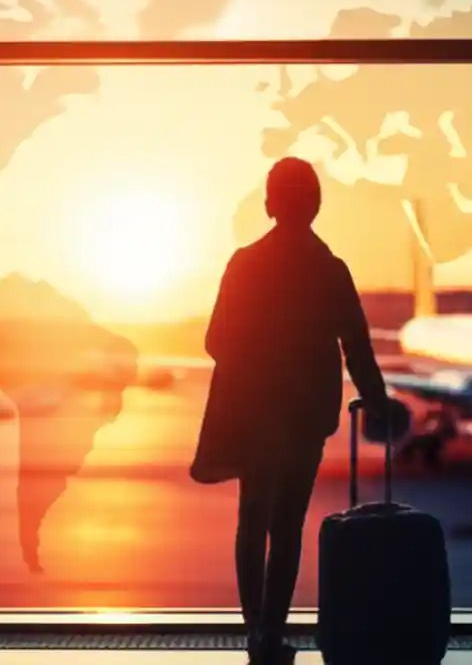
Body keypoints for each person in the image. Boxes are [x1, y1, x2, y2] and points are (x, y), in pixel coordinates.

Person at [191, 157, 389, 664]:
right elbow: (358, 349)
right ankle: (272, 631)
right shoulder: (331, 269)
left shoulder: (244, 263)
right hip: (305, 421)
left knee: (252, 518)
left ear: (269, 204)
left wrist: (256, 364)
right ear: (317, 205)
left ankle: (255, 633)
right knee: (287, 527)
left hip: (254, 415)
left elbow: (215, 340)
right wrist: (379, 402)